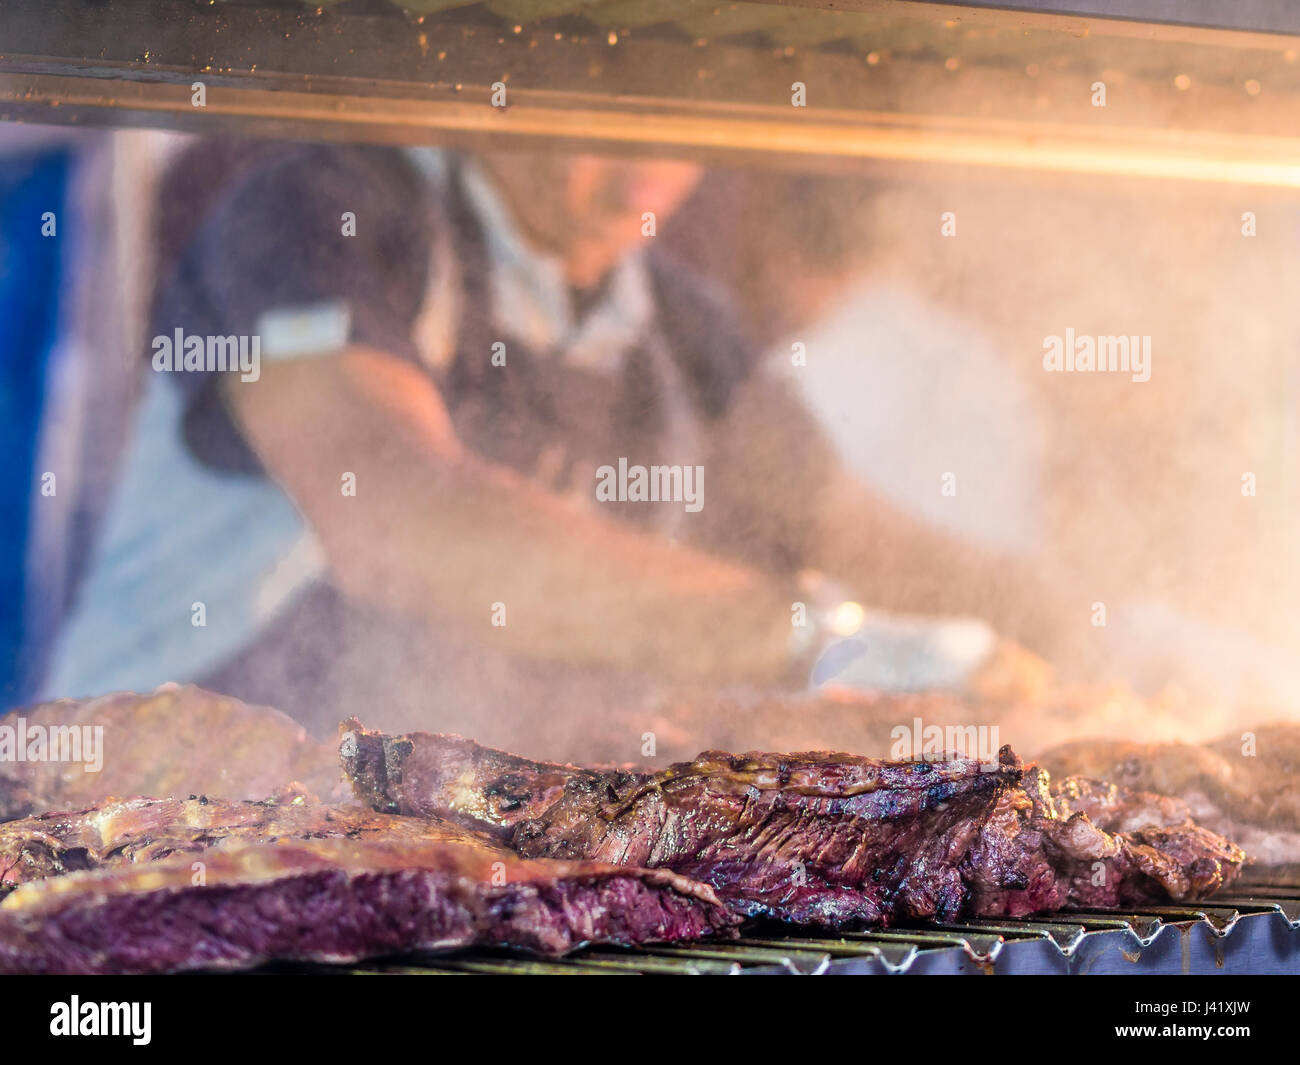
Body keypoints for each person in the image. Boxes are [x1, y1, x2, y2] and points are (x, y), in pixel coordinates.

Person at [44, 139, 1078, 740]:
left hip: (471, 872)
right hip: (158, 850)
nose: (641, 183)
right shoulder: (325, 212)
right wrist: (813, 640)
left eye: (673, 132)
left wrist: (1093, 625)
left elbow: (870, 539)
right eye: (605, 120)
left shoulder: (685, 332)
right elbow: (403, 524)